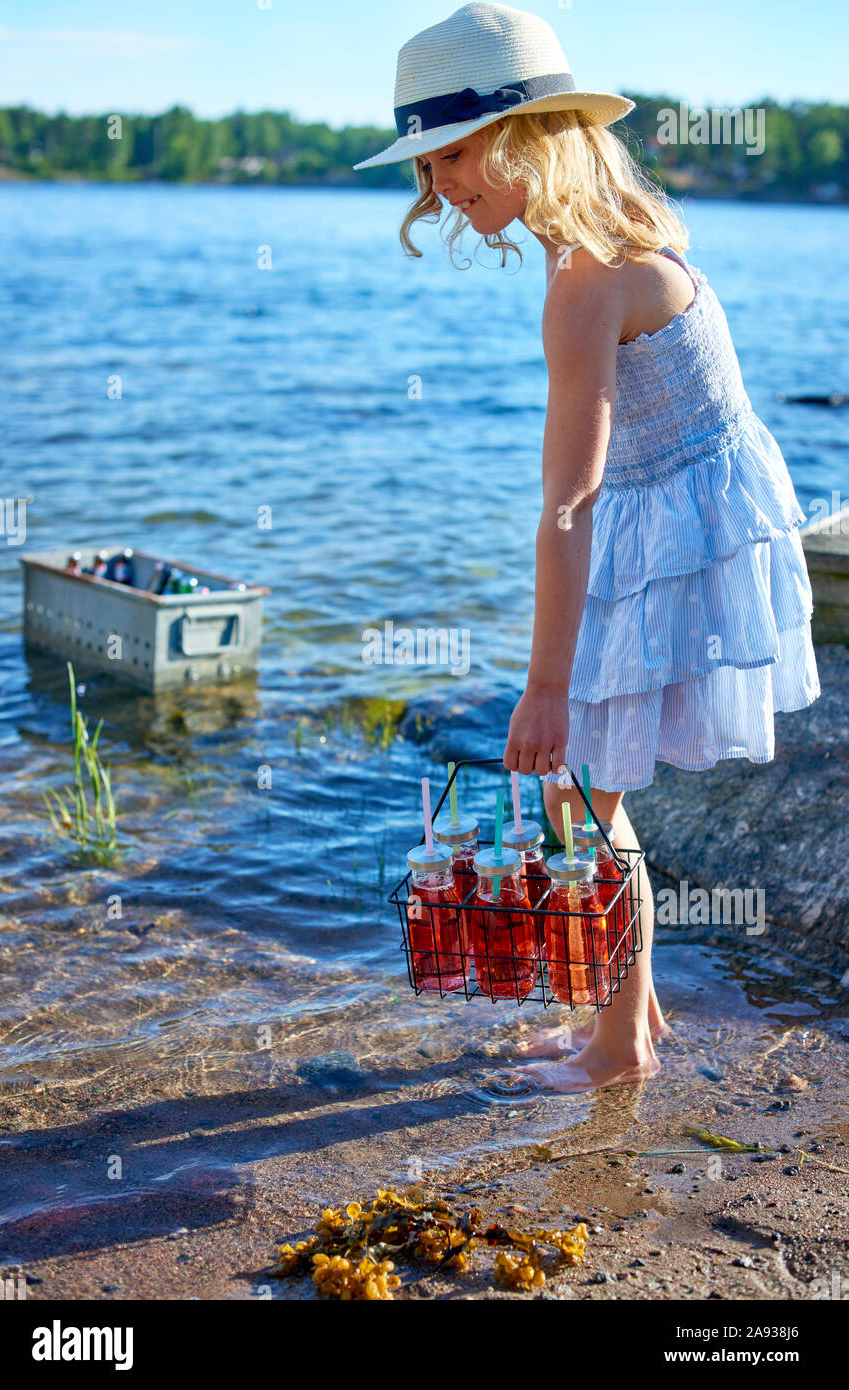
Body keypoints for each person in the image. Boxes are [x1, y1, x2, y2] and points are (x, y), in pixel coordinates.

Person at [354, 3, 820, 1092]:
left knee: (580, 798)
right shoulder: (624, 235)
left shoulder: (582, 286)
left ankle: (617, 1050)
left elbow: (567, 506)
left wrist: (543, 687)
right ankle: (630, 1008)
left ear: (528, 135)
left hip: (665, 534)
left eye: (455, 154)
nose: (442, 189)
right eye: (428, 167)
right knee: (587, 800)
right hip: (685, 518)